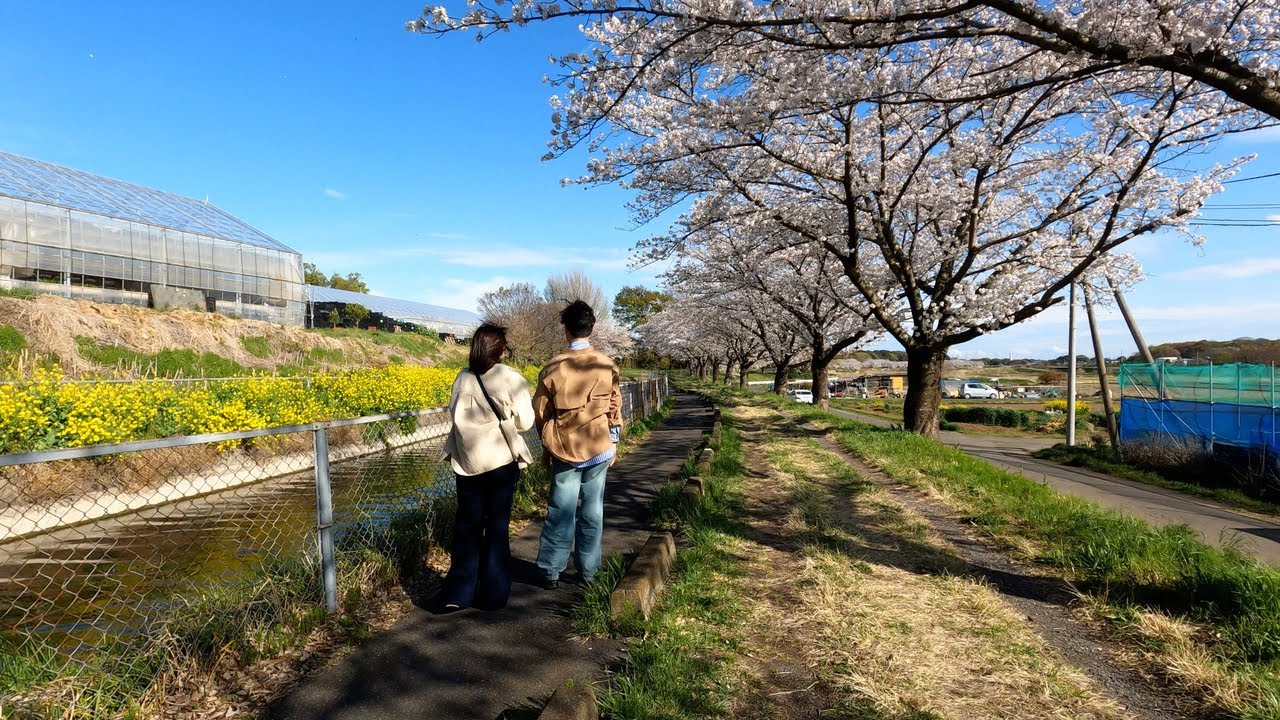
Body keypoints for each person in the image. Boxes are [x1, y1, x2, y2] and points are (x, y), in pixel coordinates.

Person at [440, 322, 534, 610]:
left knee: (467, 527)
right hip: (500, 461)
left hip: (467, 463)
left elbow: (454, 413)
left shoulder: (462, 377)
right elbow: (526, 422)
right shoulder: (509, 377)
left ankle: (458, 594)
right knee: (496, 527)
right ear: (500, 350)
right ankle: (493, 595)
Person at [533, 300, 622, 589]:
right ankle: (589, 572)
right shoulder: (607, 365)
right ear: (591, 329)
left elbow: (541, 412)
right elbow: (615, 406)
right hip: (599, 445)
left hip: (563, 447)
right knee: (593, 511)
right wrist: (614, 440)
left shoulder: (553, 367)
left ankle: (551, 571)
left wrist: (547, 443)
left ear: (566, 330)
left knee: (560, 510)